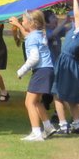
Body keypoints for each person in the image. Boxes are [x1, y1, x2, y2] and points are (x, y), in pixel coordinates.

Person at [51, 0, 79, 135]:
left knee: (57, 94)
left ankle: (63, 125)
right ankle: (76, 123)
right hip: (74, 66)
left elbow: (77, 15)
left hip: (65, 64)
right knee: (73, 97)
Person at [10, 9, 57, 140]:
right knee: (37, 102)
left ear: (31, 23)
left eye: (23, 20)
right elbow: (28, 37)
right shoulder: (39, 34)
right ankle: (48, 127)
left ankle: (36, 133)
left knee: (29, 102)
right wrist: (19, 26)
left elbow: (34, 58)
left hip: (41, 71)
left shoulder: (32, 37)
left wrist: (22, 70)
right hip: (47, 70)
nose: (22, 22)